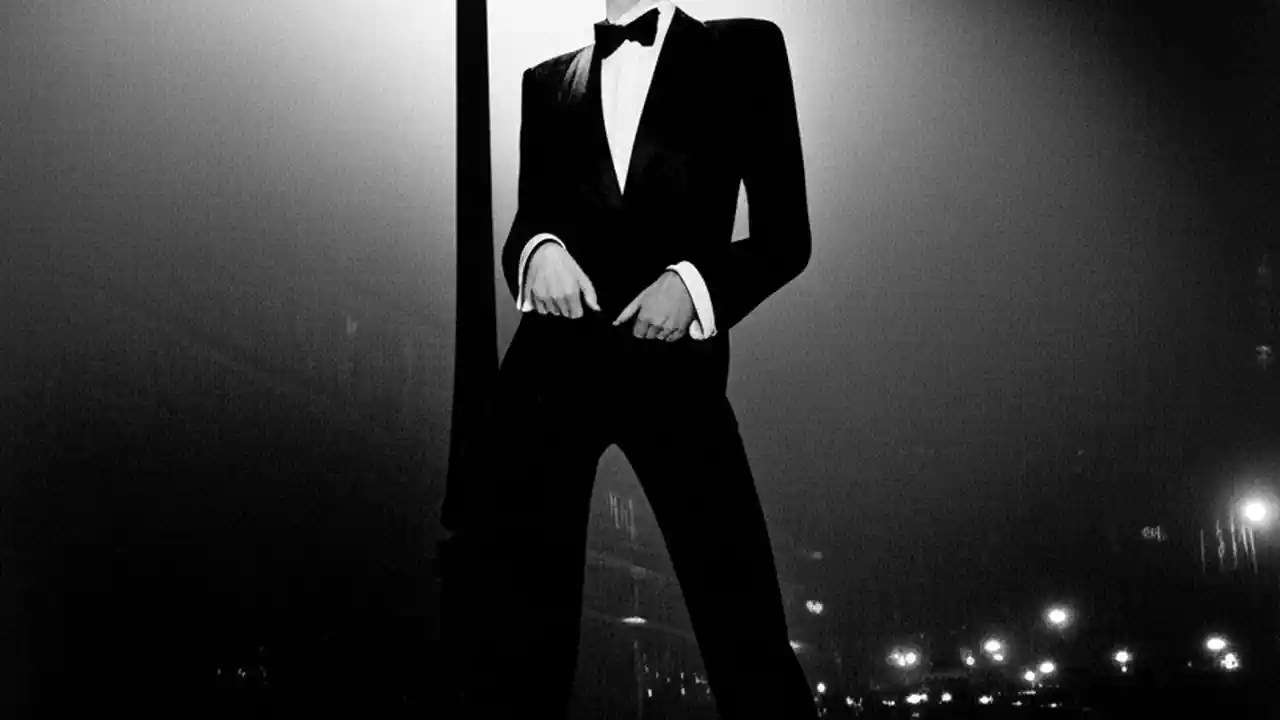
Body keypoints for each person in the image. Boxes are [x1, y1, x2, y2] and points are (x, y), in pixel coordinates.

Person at [455, 1, 813, 717]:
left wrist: (694, 284)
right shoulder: (546, 80)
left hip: (675, 372)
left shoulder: (746, 49)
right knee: (518, 641)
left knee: (745, 632)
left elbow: (786, 237)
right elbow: (529, 218)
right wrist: (538, 251)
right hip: (546, 381)